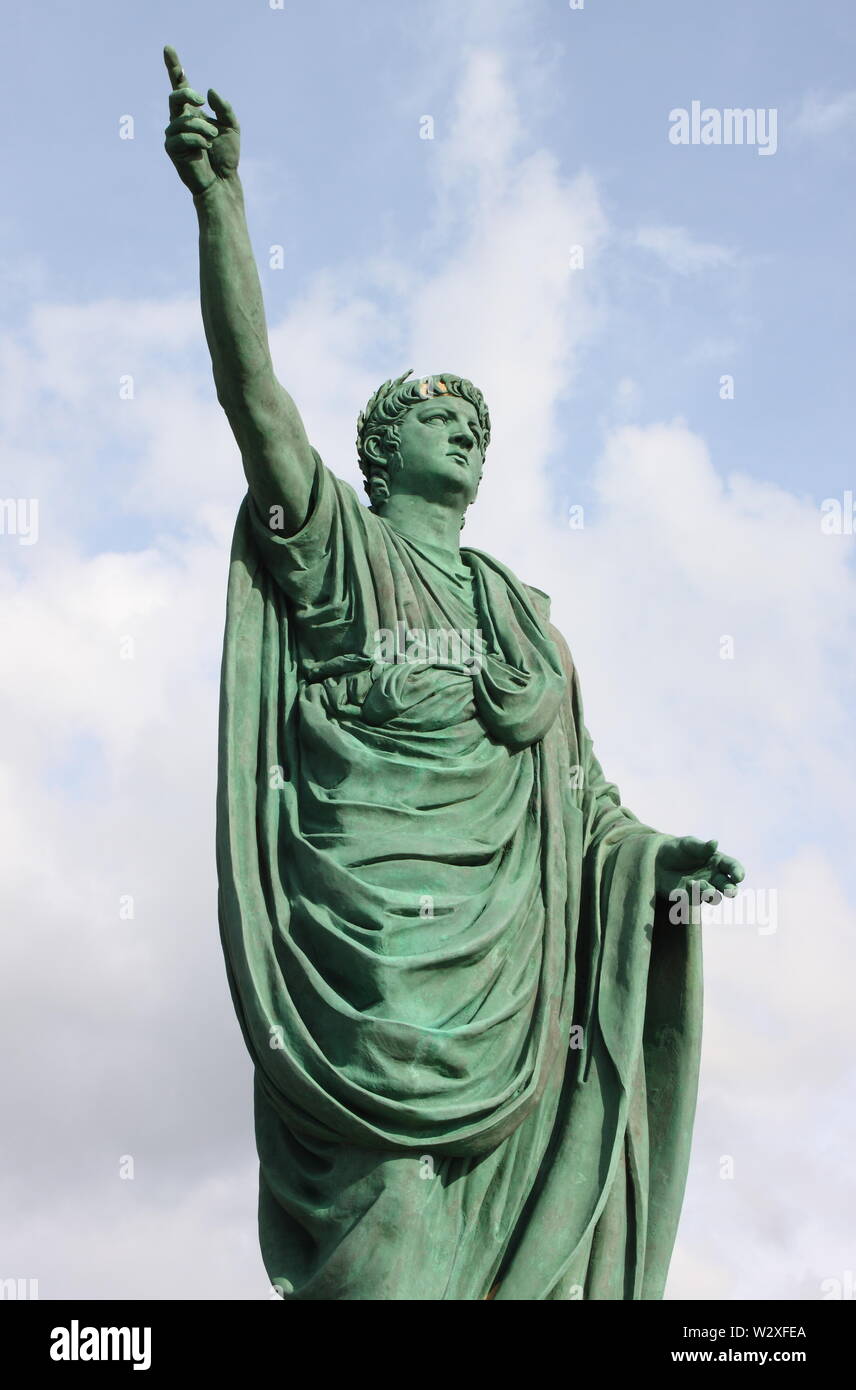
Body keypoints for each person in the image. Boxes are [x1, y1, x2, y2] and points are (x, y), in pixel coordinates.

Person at [163, 46, 745, 1301]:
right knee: (395, 1240)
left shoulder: (521, 616)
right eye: (439, 418)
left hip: (513, 988)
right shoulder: (336, 550)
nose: (466, 434)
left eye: (478, 426)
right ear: (381, 452)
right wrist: (221, 205)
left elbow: (580, 798)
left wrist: (655, 862)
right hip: (367, 962)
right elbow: (255, 398)